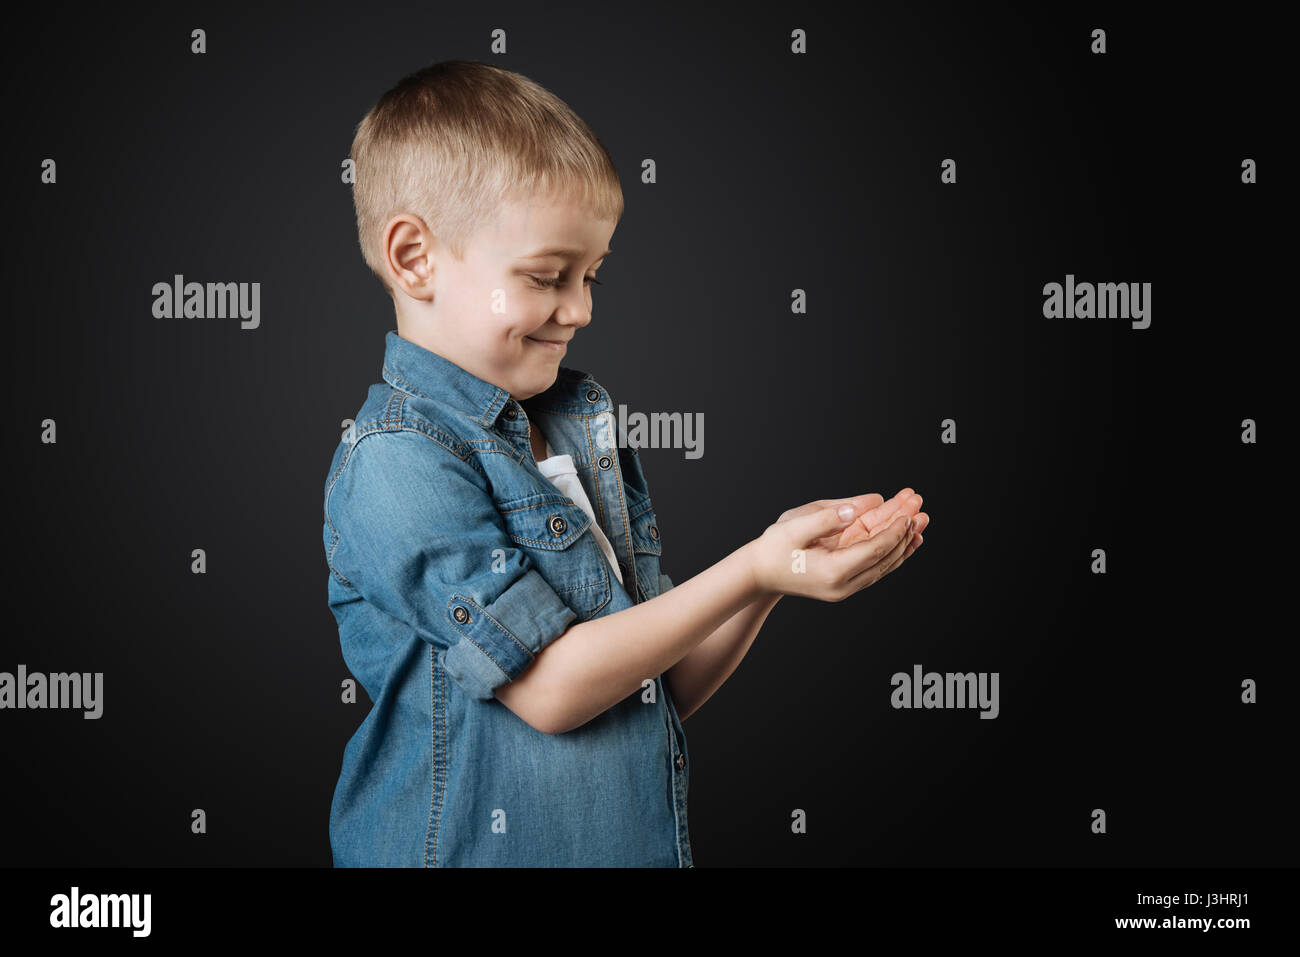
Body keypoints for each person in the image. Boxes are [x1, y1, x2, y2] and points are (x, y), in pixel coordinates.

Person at [322, 59, 929, 867]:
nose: (581, 307)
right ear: (414, 258)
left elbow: (654, 685)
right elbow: (552, 690)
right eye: (548, 276)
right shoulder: (397, 462)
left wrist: (774, 576)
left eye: (592, 275)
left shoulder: (576, 431)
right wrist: (750, 571)